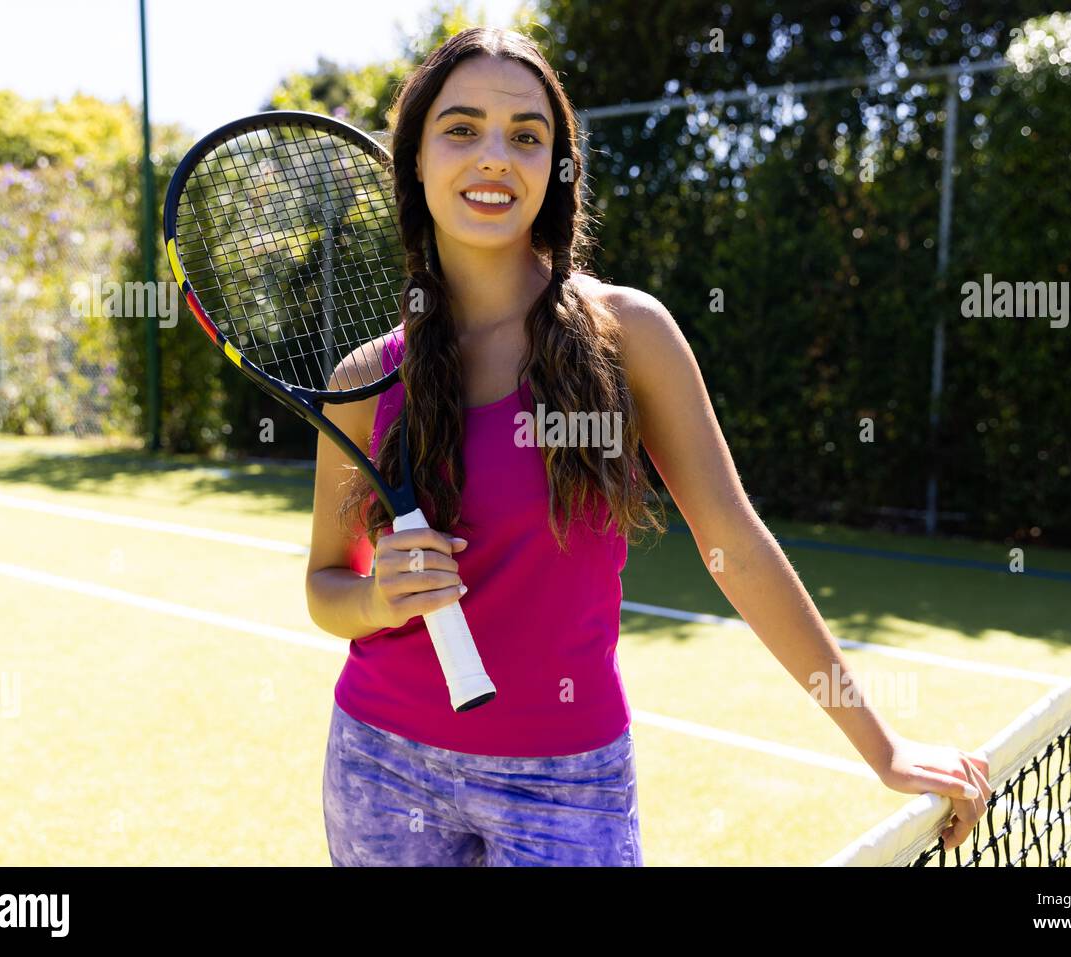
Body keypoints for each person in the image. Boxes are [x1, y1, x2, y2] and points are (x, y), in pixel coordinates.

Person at [305, 26, 990, 867]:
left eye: (526, 136)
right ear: (415, 158)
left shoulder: (628, 334)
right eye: (461, 127)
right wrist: (379, 599)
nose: (494, 156)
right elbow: (325, 584)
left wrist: (881, 745)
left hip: (565, 780)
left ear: (556, 168)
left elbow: (733, 543)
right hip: (379, 762)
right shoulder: (365, 376)